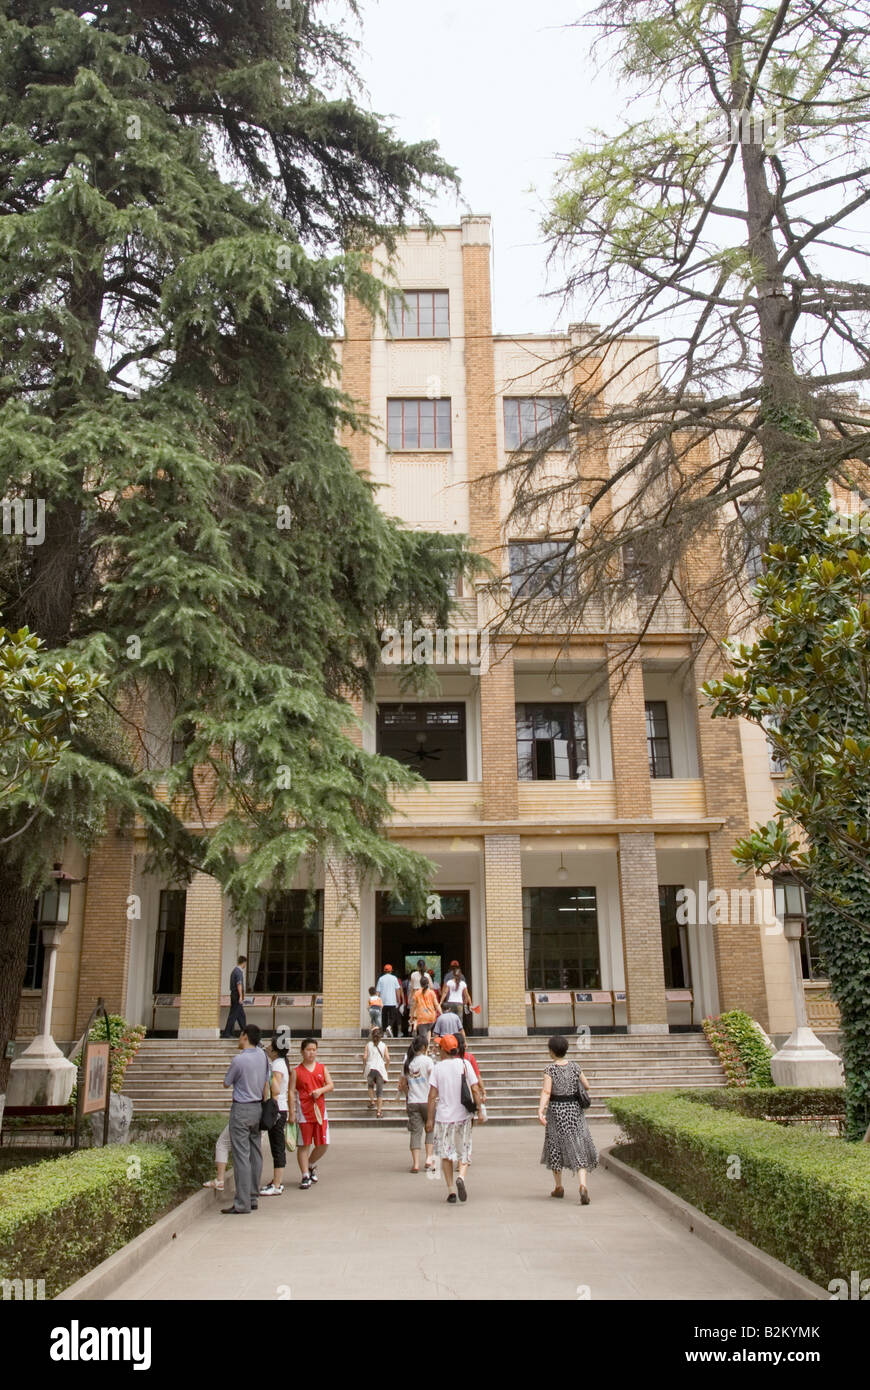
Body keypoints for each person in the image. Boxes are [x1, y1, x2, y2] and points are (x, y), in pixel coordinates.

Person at [537, 1034, 598, 1204]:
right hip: (574, 1109)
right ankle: (583, 1184)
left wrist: (541, 1110)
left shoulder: (550, 1069)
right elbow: (587, 1086)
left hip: (557, 1110)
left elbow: (547, 1092)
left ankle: (559, 1187)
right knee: (578, 1144)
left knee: (555, 1145)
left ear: (551, 1051)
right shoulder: (575, 1067)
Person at [425, 1034, 483, 1203]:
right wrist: (479, 1110)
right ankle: (462, 1178)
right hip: (463, 1117)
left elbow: (431, 1096)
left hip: (443, 1118)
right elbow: (475, 1089)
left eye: (438, 1047)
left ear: (444, 1049)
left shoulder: (437, 1068)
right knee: (464, 1150)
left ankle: (451, 1190)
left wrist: (429, 1119)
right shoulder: (465, 1064)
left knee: (445, 1154)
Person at [221, 1023, 270, 1214]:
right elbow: (266, 1081)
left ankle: (242, 1203)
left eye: (240, 1035)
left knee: (241, 1156)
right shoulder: (263, 1056)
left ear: (245, 1036)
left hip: (241, 1109)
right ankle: (253, 1196)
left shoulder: (239, 1060)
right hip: (257, 1107)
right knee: (255, 1152)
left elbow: (227, 1083)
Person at [290, 1037, 334, 1189]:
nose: (311, 1053)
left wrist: (320, 1090)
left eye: (314, 1050)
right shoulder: (296, 1071)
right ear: (302, 1051)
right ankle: (304, 1175)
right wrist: (292, 1112)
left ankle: (310, 1164)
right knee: (304, 1144)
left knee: (324, 1144)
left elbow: (330, 1085)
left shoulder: (322, 1068)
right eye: (308, 1050)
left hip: (320, 1112)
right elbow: (290, 1091)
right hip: (304, 1112)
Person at [260, 1034, 291, 1196]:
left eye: (270, 1045)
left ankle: (277, 1184)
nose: (268, 1048)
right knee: (276, 1145)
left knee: (277, 1146)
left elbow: (275, 1088)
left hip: (277, 1109)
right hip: (282, 1108)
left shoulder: (278, 1064)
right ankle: (276, 1181)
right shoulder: (281, 1062)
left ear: (275, 1048)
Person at [399, 1035, 435, 1172]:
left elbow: (402, 1084)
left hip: (413, 1101)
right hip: (427, 1100)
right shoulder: (428, 1061)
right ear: (424, 1047)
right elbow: (433, 1079)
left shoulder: (408, 1062)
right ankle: (428, 1159)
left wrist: (408, 1096)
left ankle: (415, 1164)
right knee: (430, 1129)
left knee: (415, 1132)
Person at [363, 1026, 390, 1119]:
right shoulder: (384, 1045)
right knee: (379, 1092)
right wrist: (386, 1068)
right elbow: (388, 1059)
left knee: (370, 1086)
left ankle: (372, 1101)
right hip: (380, 1069)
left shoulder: (368, 1045)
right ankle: (379, 1112)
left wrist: (364, 1066)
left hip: (370, 1068)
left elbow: (365, 1057)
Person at [221, 954, 248, 1038]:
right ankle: (227, 1033)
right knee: (233, 1015)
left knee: (241, 1015)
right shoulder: (238, 972)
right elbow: (239, 984)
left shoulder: (234, 971)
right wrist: (240, 996)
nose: (245, 966)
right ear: (243, 963)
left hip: (234, 995)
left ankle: (245, 1033)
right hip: (237, 995)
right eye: (245, 964)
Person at [411, 972, 440, 1046]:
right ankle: (427, 1047)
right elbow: (436, 1004)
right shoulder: (432, 992)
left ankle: (425, 1050)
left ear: (420, 984)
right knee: (428, 1030)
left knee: (423, 1036)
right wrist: (441, 1013)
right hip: (431, 1017)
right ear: (428, 983)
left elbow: (413, 1006)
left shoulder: (417, 993)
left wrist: (412, 1016)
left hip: (422, 1017)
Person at [375, 964, 402, 1037]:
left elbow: (378, 991)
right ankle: (389, 1027)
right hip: (392, 1001)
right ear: (391, 971)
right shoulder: (394, 978)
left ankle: (384, 1033)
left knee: (384, 1017)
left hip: (383, 1001)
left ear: (384, 971)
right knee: (392, 1016)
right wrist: (399, 999)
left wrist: (376, 1000)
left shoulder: (381, 979)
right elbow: (397, 990)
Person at [203, 1124, 231, 1191]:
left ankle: (219, 1181)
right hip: (258, 1119)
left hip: (242, 1117)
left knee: (222, 1144)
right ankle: (255, 1186)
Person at [463, 1045, 487, 1123]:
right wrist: (483, 1092)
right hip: (469, 1094)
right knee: (469, 1118)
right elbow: (477, 1076)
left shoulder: (448, 1060)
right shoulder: (469, 1058)